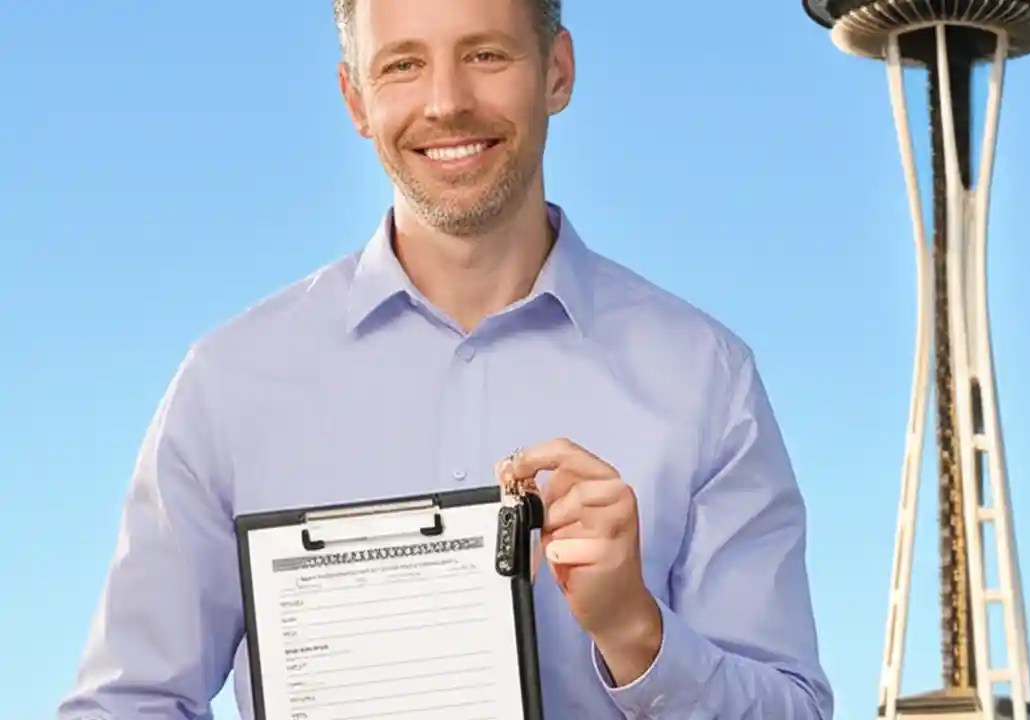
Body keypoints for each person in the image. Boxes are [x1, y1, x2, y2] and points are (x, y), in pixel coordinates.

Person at [56, 0, 834, 717]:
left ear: (556, 72)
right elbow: (127, 703)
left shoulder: (705, 379)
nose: (446, 102)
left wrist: (637, 631)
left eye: (486, 55)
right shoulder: (228, 385)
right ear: (356, 99)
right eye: (402, 64)